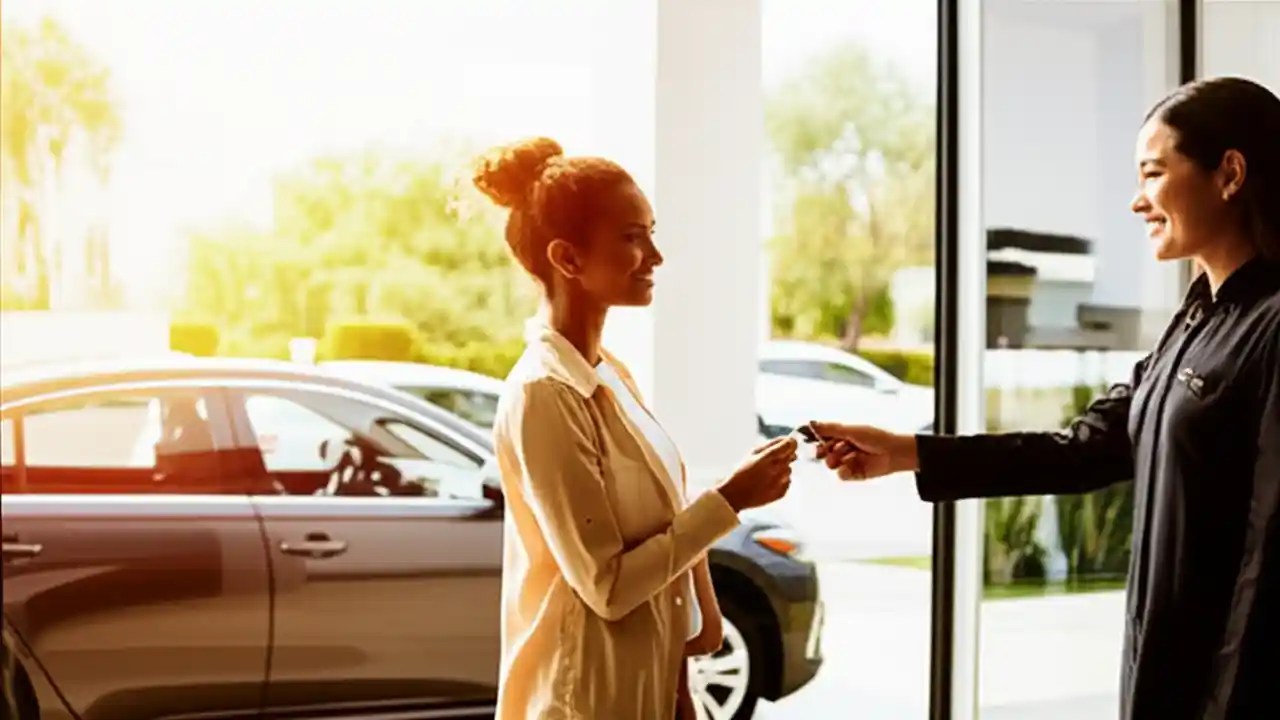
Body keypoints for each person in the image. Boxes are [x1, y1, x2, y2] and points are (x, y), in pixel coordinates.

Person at [815, 76, 1280, 720]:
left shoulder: (1274, 323)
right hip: (1160, 675)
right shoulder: (1196, 315)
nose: (1137, 202)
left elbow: (1267, 554)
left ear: (1229, 173)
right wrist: (908, 453)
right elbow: (1083, 449)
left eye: (1152, 173)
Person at [474, 137, 798, 720]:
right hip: (583, 699)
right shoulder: (544, 394)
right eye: (632, 237)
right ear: (567, 259)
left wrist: (679, 687)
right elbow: (609, 585)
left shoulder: (609, 374)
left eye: (650, 231)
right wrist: (731, 500)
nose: (655, 255)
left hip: (642, 688)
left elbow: (658, 539)